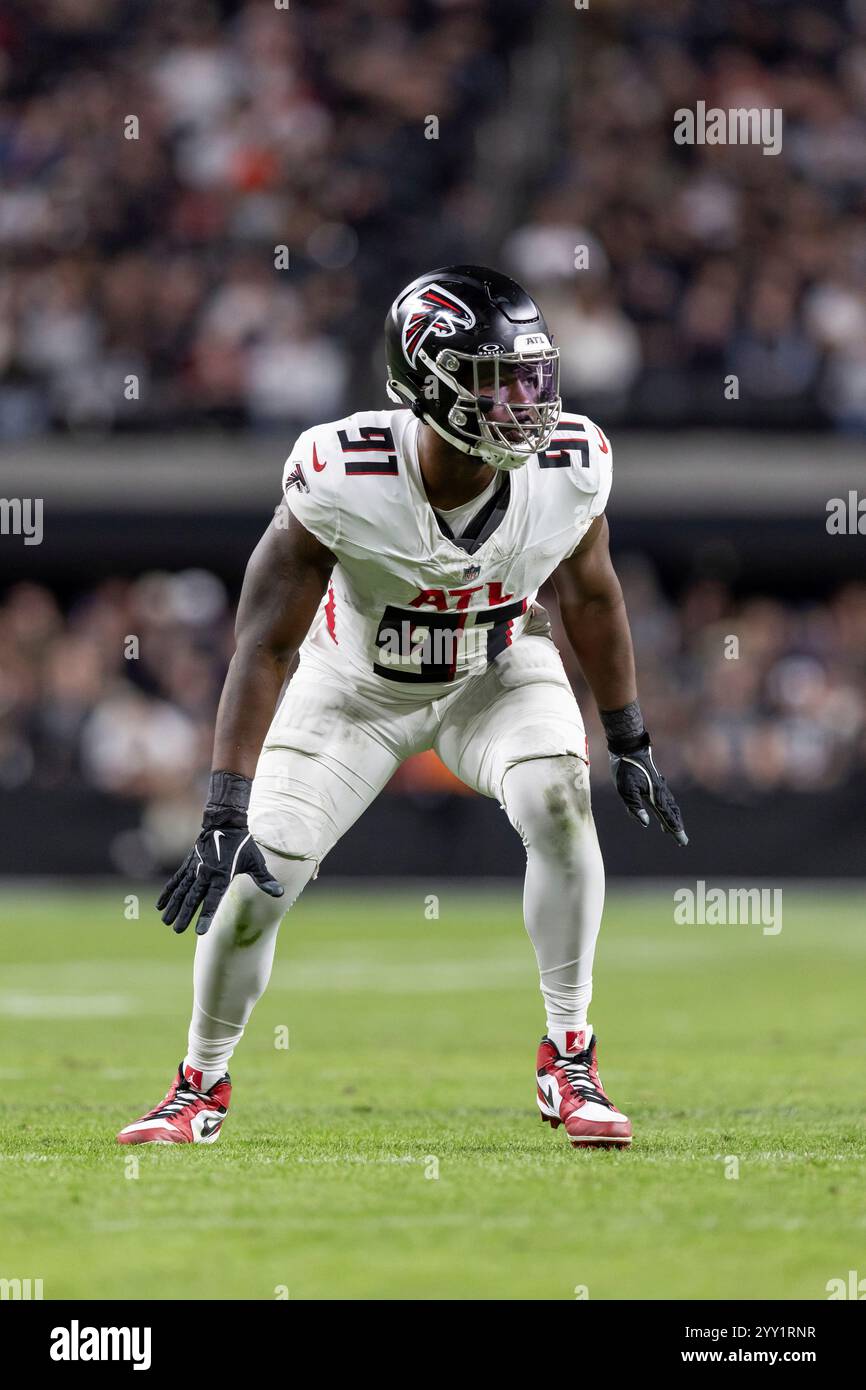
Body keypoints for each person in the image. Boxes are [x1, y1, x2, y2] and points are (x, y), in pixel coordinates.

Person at [117, 265, 687, 1151]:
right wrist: (225, 802)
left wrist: (630, 737)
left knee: (562, 806)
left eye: (533, 375)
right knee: (254, 883)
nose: (526, 402)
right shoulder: (345, 473)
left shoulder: (570, 464)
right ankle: (199, 1083)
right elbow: (264, 644)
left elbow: (594, 598)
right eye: (498, 380)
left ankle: (570, 1054)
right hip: (354, 694)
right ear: (427, 382)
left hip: (493, 677)